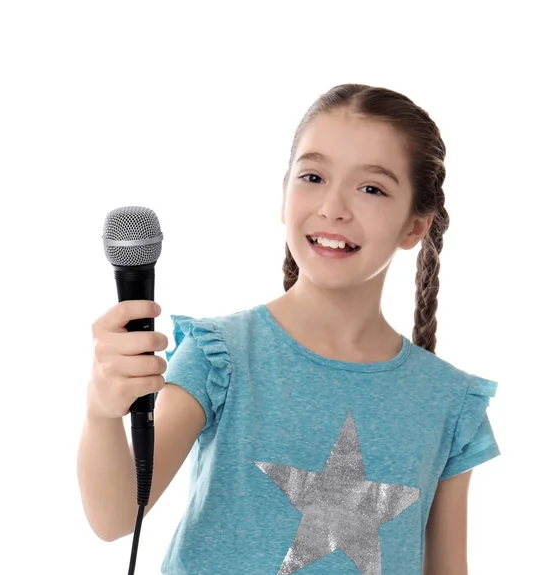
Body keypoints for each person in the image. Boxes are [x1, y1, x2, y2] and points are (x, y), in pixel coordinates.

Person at [77, 83, 500, 575]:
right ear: (283, 197)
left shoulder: (449, 403)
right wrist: (102, 414)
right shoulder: (224, 356)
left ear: (415, 226)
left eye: (371, 188)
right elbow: (113, 516)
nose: (334, 207)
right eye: (314, 176)